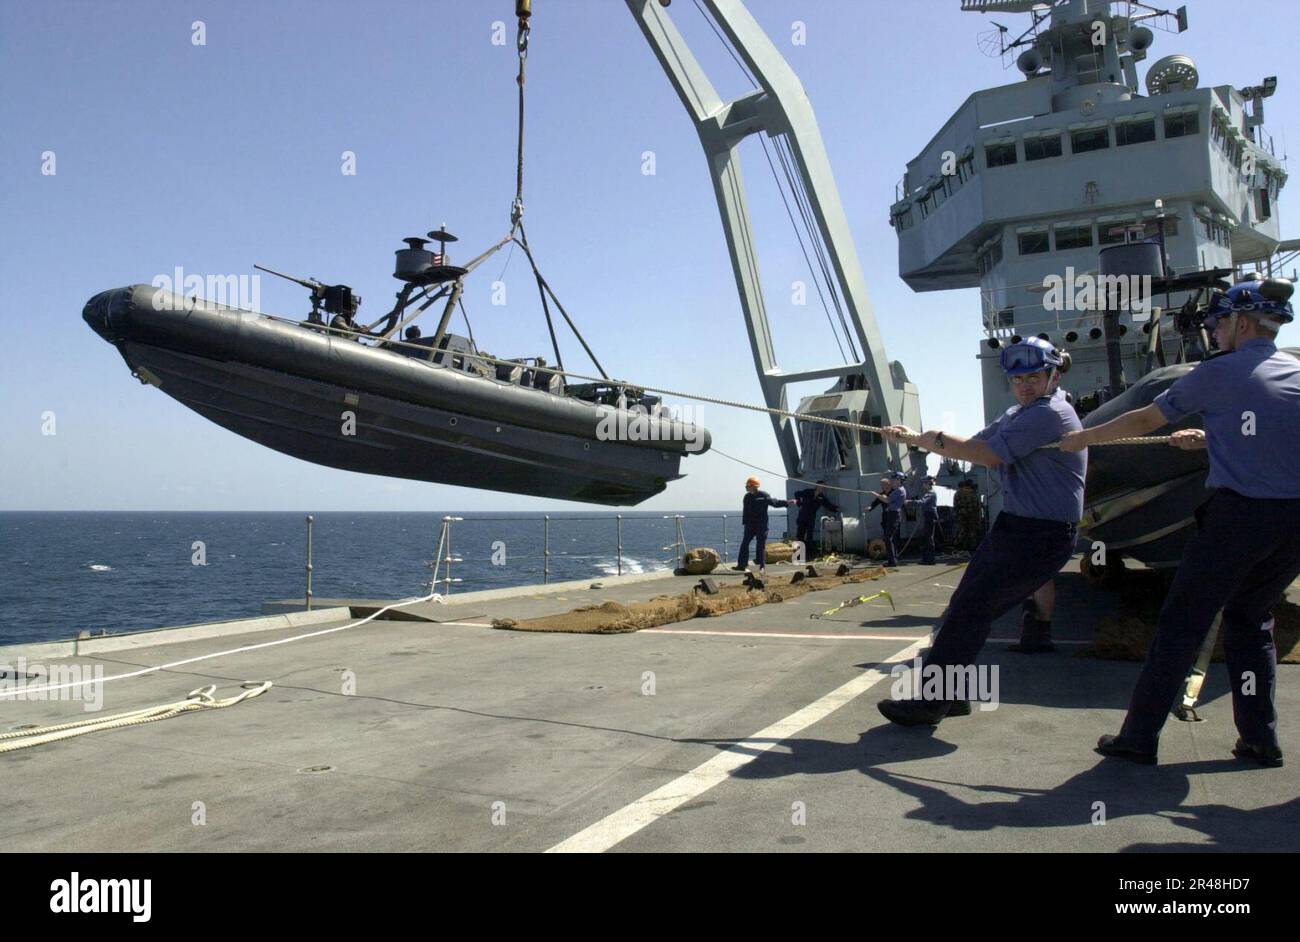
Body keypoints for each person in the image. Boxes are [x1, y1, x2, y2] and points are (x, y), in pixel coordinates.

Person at [1062, 277, 1300, 766]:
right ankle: (1260, 738)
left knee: (1180, 625)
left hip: (1240, 518)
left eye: (1220, 324)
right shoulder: (1295, 373)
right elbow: (1274, 437)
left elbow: (1145, 419)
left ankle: (1138, 738)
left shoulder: (1219, 372)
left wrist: (1083, 439)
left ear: (1242, 323)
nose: (1215, 333)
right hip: (1293, 527)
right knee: (1251, 620)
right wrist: (1211, 440)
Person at [876, 337, 1087, 725]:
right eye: (1018, 379)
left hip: (1041, 535)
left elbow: (987, 456)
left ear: (1053, 377)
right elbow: (976, 443)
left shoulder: (1049, 414)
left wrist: (932, 440)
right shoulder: (1018, 413)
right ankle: (951, 695)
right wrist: (916, 437)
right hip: (1016, 528)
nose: (1025, 385)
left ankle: (931, 703)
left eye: (1034, 378)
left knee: (970, 611)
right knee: (964, 606)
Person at [733, 476, 793, 574]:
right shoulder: (747, 497)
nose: (746, 487)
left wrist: (787, 502)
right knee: (745, 544)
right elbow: (745, 511)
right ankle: (741, 565)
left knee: (760, 546)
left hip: (762, 525)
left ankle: (762, 567)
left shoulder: (763, 495)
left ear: (753, 486)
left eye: (748, 485)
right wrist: (745, 523)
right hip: (750, 525)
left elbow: (775, 502)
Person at [793, 480, 840, 557]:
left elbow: (828, 505)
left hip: (811, 517)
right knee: (800, 535)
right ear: (817, 485)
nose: (823, 487)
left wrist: (836, 509)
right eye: (822, 486)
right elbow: (797, 493)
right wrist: (799, 502)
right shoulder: (808, 491)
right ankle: (798, 554)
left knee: (809, 536)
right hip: (803, 516)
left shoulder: (821, 497)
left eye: (824, 486)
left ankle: (808, 554)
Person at [870, 472, 907, 566]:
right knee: (889, 538)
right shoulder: (900, 490)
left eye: (894, 479)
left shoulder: (899, 490)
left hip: (894, 515)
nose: (893, 481)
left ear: (899, 480)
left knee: (888, 538)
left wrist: (876, 494)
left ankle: (892, 561)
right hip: (893, 514)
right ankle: (892, 560)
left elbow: (887, 500)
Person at [906, 476, 940, 565]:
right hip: (928, 515)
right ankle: (927, 558)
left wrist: (909, 502)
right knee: (927, 537)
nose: (923, 485)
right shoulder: (929, 493)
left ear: (928, 483)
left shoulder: (931, 493)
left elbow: (922, 502)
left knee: (929, 538)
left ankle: (930, 559)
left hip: (930, 515)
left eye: (924, 483)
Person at [953, 479, 981, 552]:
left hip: (961, 514)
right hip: (971, 515)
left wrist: (957, 513)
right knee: (972, 531)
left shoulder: (957, 493)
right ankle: (972, 547)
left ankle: (961, 546)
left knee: (962, 530)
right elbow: (976, 506)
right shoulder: (972, 493)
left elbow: (955, 505)